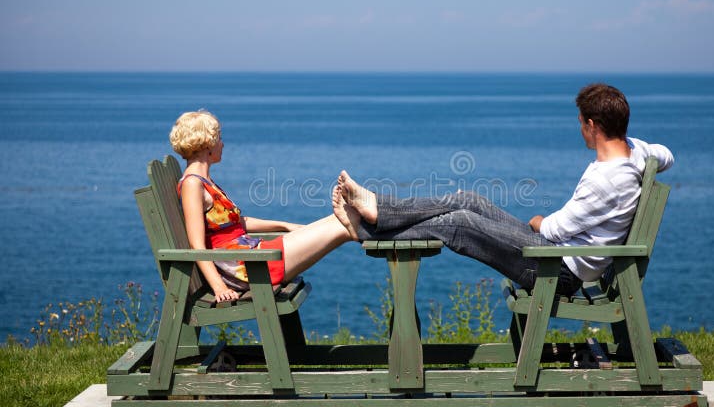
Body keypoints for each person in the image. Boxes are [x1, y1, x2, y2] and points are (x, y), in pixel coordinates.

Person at [332, 83, 674, 296]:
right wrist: (642, 152)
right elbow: (666, 155)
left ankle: (368, 231)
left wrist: (539, 221)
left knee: (460, 223)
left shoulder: (605, 180)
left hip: (557, 270)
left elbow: (556, 229)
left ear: (592, 125)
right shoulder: (636, 153)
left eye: (581, 123)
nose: (580, 130)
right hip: (557, 255)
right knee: (469, 199)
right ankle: (380, 209)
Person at [170, 110, 352, 303]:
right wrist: (219, 286)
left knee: (341, 220)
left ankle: (376, 222)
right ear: (207, 144)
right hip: (248, 269)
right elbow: (197, 245)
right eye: (219, 138)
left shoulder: (205, 182)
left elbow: (239, 223)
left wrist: (285, 226)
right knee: (345, 223)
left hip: (253, 256)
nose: (222, 144)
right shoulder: (192, 184)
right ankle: (379, 224)